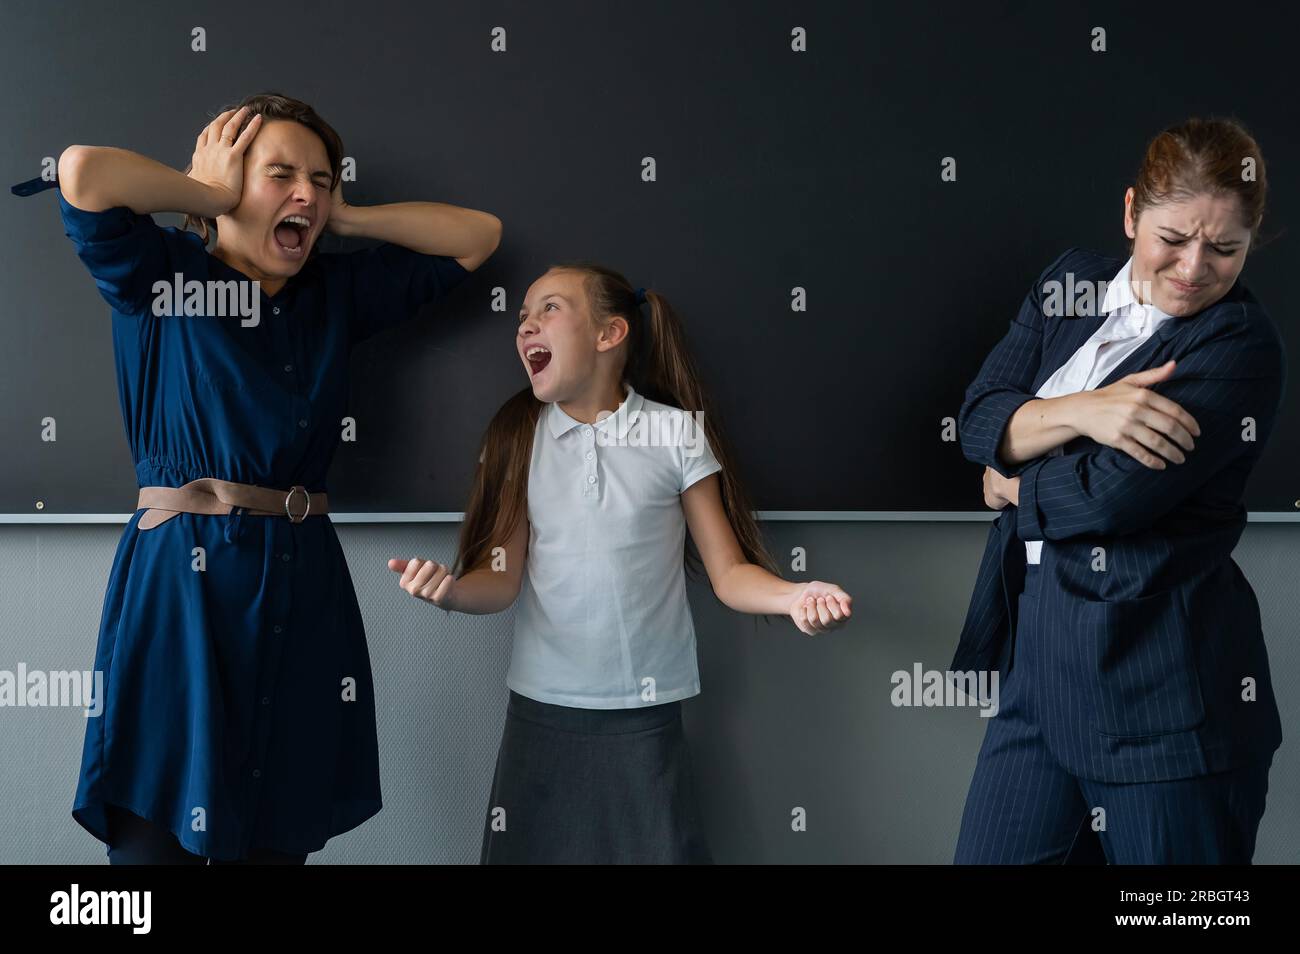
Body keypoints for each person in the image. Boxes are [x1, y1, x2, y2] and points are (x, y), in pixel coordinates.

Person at [49, 92, 501, 863]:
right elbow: (81, 174)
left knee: (277, 820)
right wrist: (205, 196)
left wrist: (347, 216)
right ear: (227, 182)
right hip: (181, 582)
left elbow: (476, 237)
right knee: (158, 826)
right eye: (281, 174)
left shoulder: (335, 295)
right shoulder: (162, 272)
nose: (307, 195)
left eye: (321, 180)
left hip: (302, 580)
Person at [389, 264, 853, 863]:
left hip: (643, 715)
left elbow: (729, 573)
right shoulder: (518, 436)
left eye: (548, 309)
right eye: (522, 315)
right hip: (541, 712)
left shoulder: (677, 434)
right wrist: (450, 591)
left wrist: (793, 596)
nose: (526, 325)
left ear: (610, 335)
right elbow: (499, 579)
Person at [951, 117, 1284, 864]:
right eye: (1173, 238)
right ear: (1132, 212)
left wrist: (1012, 478)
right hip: (1038, 668)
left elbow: (1109, 499)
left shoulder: (1238, 345)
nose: (1195, 268)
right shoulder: (1069, 281)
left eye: (1225, 249)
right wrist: (1082, 411)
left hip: (1162, 693)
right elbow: (977, 418)